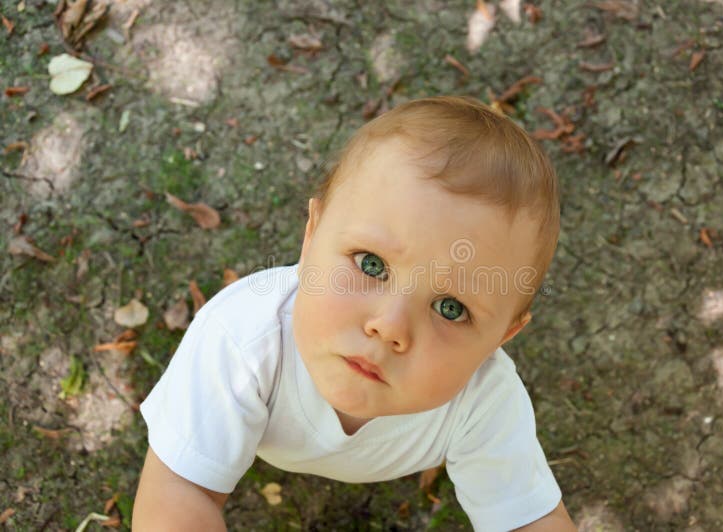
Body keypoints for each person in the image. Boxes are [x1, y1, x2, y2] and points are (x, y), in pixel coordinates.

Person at [132, 96, 576, 531]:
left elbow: (531, 520)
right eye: (370, 265)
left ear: (500, 339)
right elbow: (178, 492)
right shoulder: (241, 340)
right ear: (311, 238)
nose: (389, 326)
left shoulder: (485, 402)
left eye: (450, 308)